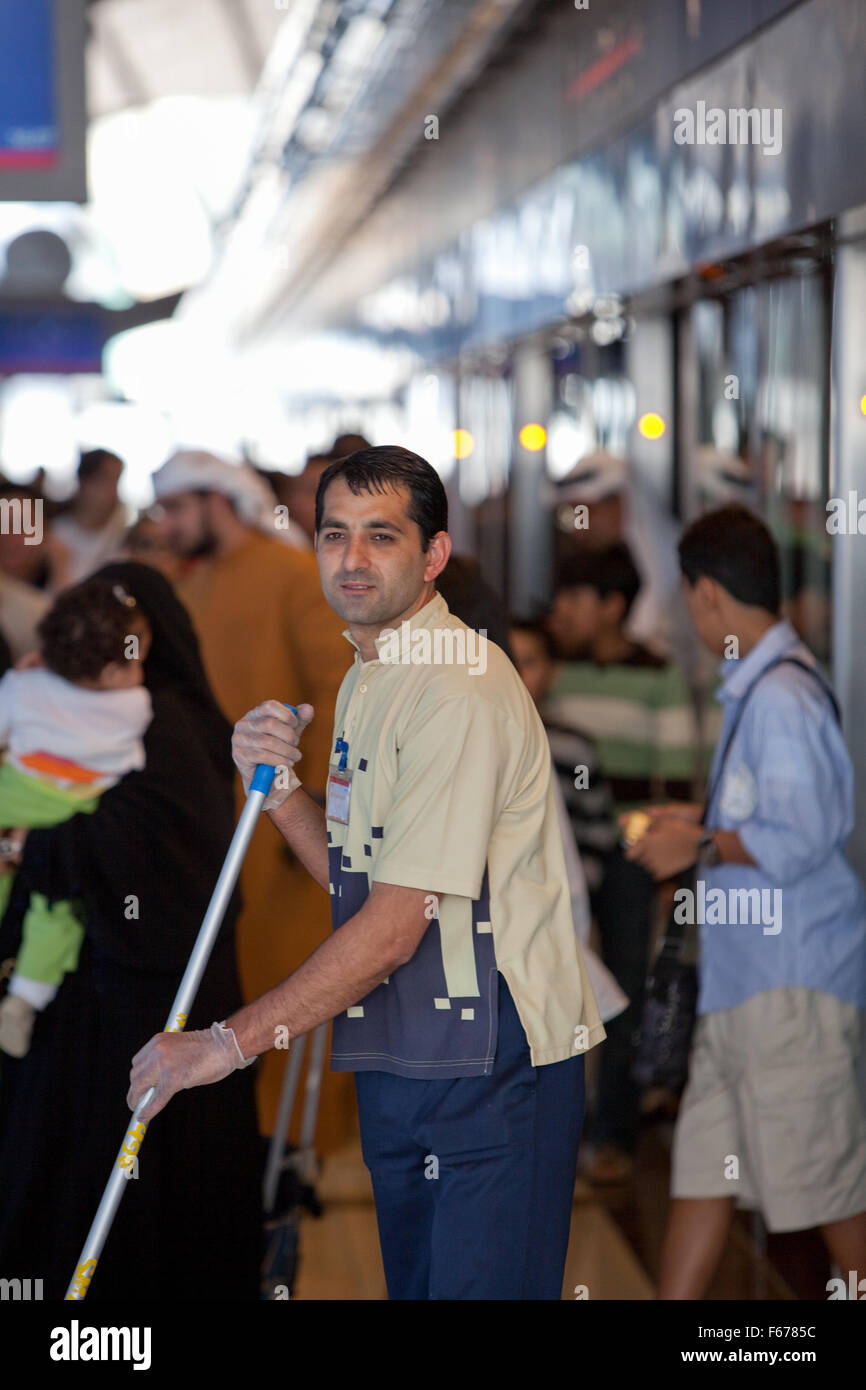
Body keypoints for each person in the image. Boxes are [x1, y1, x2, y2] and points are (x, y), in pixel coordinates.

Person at [127, 444, 605, 1301]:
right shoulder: (369, 674)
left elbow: (391, 929)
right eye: (334, 535)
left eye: (381, 536)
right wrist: (278, 793)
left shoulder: (456, 688)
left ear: (433, 556)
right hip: (405, 1053)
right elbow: (358, 880)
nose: (351, 559)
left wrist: (226, 1045)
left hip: (493, 1063)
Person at [0, 562, 261, 1299]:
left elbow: (160, 860)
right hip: (103, 996)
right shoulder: (97, 707)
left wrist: (30, 842)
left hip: (144, 1005)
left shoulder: (168, 726)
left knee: (133, 1208)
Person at [625, 506, 866, 1299]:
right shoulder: (764, 687)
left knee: (830, 1196)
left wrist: (698, 846)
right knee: (702, 1174)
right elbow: (777, 819)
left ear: (706, 598)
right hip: (745, 990)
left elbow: (801, 834)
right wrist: (700, 825)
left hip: (788, 988)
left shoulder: (780, 699)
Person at [151, 449, 354, 1153]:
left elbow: (339, 691)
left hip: (289, 829)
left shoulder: (295, 574)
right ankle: (249, 1152)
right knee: (234, 984)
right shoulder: (194, 581)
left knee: (293, 985)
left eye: (177, 509)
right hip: (220, 826)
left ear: (217, 501)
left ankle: (299, 1156)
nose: (167, 526)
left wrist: (321, 810)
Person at [545, 543, 699, 1183]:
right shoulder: (555, 671)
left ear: (613, 607)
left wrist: (652, 857)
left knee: (625, 985)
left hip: (632, 854)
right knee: (566, 977)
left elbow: (679, 780)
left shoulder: (656, 673)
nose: (562, 611)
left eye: (577, 597)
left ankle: (615, 1134)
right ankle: (564, 1123)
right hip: (564, 850)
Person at [0, 577, 152, 1057]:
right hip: (65, 818)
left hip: (12, 797)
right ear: (110, 673)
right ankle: (23, 1000)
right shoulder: (138, 708)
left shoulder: (22, 686)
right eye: (136, 659)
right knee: (58, 910)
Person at [52, 449, 128, 584]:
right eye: (105, 479)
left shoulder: (124, 540)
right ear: (83, 482)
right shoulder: (53, 532)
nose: (112, 491)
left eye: (116, 482)